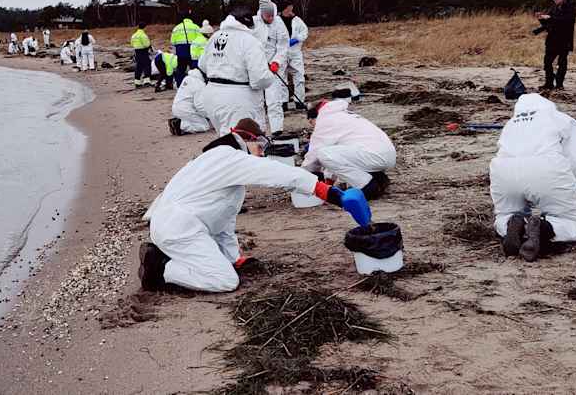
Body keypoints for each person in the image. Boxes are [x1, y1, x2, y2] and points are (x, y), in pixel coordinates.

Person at [138, 118, 371, 292]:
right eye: (259, 143)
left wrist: (233, 258)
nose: (262, 151)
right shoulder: (232, 159)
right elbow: (283, 175)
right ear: (245, 139)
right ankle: (161, 268)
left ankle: (171, 255)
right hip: (179, 229)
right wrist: (331, 194)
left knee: (226, 266)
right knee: (225, 281)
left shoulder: (212, 164)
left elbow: (223, 222)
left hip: (171, 223)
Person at [489, 93, 576, 262]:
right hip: (547, 168)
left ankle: (512, 224)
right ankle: (544, 228)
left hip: (503, 171)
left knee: (504, 215)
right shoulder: (562, 119)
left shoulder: (510, 124)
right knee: (574, 222)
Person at [302, 98, 396, 200]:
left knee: (323, 154)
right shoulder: (344, 115)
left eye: (312, 124)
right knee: (334, 152)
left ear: (314, 118)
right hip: (385, 154)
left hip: (374, 155)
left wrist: (305, 178)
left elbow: (313, 157)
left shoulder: (325, 120)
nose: (314, 128)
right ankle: (378, 179)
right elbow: (340, 155)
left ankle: (367, 186)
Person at [199, 7, 273, 136]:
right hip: (238, 98)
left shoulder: (214, 37)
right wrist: (270, 76)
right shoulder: (249, 40)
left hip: (211, 95)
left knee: (225, 139)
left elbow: (203, 65)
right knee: (244, 142)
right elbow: (259, 79)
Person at [252, 0, 290, 134]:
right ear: (262, 14)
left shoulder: (278, 23)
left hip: (273, 68)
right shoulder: (254, 23)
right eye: (268, 16)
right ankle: (259, 131)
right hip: (256, 67)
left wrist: (277, 62)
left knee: (274, 100)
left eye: (272, 15)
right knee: (257, 102)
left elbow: (283, 46)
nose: (271, 18)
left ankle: (277, 130)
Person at [534, 0, 576, 91]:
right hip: (552, 40)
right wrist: (541, 19)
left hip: (564, 40)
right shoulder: (553, 8)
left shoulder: (570, 8)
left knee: (562, 63)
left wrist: (550, 18)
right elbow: (549, 24)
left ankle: (559, 85)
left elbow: (567, 22)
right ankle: (548, 84)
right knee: (547, 62)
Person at [280, 2, 309, 106]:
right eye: (289, 8)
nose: (291, 10)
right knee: (281, 77)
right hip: (281, 52)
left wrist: (297, 39)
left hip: (295, 52)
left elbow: (305, 31)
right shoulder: (276, 21)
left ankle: (299, 101)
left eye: (291, 8)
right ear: (284, 9)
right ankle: (283, 102)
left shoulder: (297, 20)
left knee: (299, 76)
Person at [170, 66, 211, 135]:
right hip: (186, 111)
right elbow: (199, 106)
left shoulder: (188, 78)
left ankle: (179, 122)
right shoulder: (199, 84)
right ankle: (180, 125)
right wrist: (210, 116)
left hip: (177, 108)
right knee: (204, 126)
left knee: (201, 120)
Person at [170, 13, 201, 89]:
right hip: (192, 51)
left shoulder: (176, 28)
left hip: (180, 52)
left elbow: (172, 42)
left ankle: (180, 86)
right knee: (194, 70)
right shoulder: (195, 27)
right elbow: (200, 39)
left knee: (180, 69)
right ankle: (195, 85)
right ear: (191, 20)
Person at [130, 23, 151, 88]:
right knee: (147, 66)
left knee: (138, 67)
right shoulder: (143, 35)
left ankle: (137, 82)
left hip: (137, 52)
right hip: (143, 52)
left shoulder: (134, 35)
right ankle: (146, 82)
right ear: (144, 27)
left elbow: (131, 44)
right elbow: (146, 44)